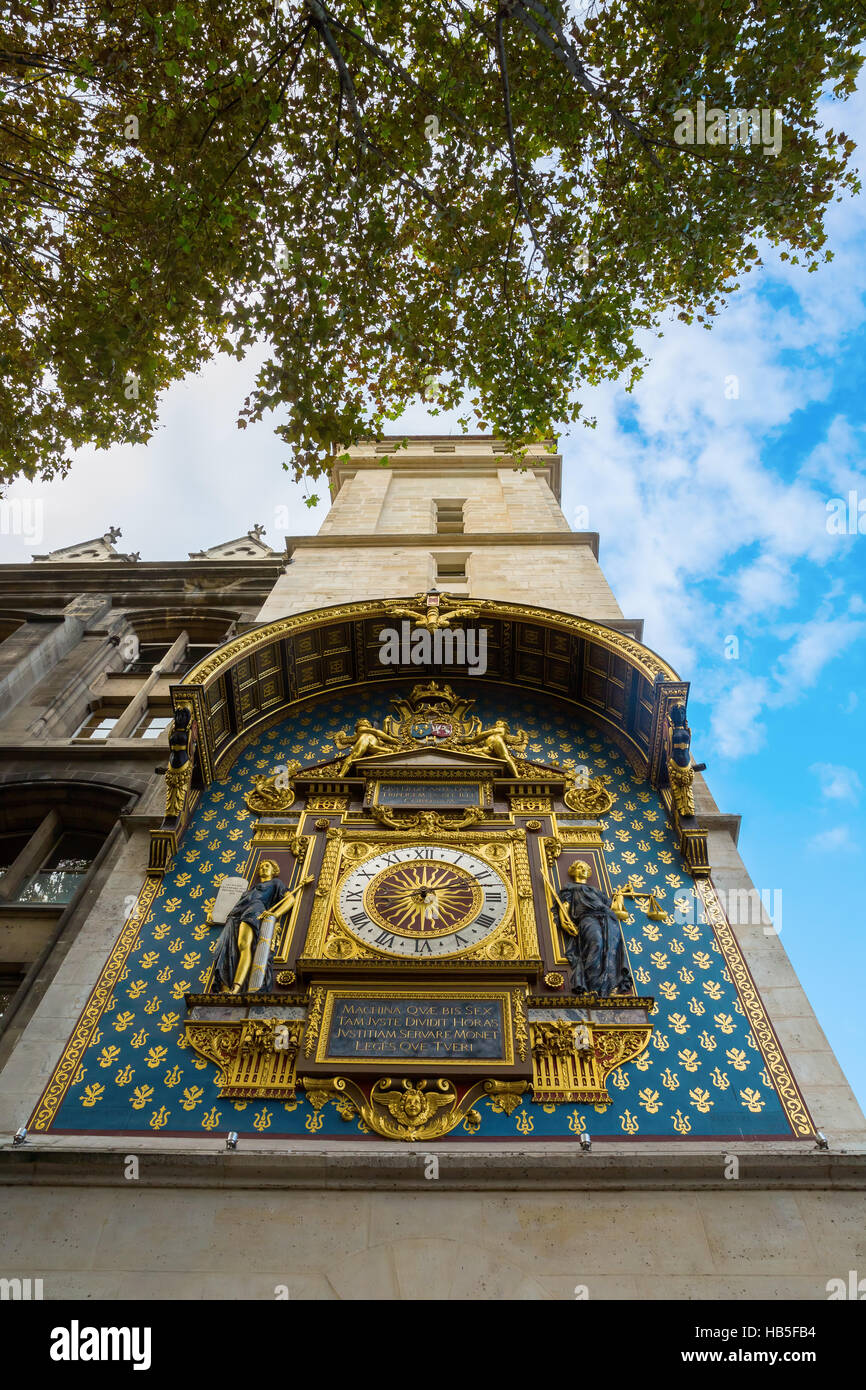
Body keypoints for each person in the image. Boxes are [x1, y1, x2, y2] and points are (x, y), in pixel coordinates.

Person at [551, 861, 633, 997]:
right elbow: (564, 907)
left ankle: (609, 989)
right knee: (596, 945)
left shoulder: (597, 892)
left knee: (611, 951)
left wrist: (620, 896)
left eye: (585, 868)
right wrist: (565, 922)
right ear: (573, 871)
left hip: (609, 920)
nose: (582, 870)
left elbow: (613, 909)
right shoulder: (570, 888)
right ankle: (593, 987)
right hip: (588, 919)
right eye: (579, 867)